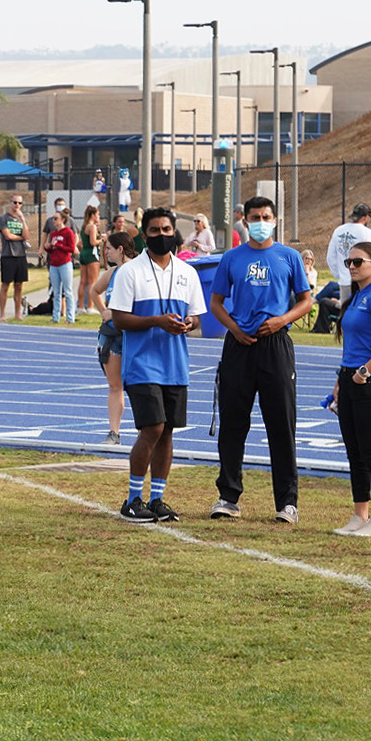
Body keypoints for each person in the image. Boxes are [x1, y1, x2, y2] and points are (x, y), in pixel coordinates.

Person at [208, 195, 312, 524]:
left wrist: (282, 320)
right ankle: (228, 496)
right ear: (245, 220)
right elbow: (216, 303)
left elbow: (306, 301)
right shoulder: (231, 258)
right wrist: (234, 329)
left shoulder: (290, 257)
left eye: (267, 215)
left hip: (276, 345)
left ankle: (287, 503)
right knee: (233, 423)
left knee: (281, 424)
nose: (261, 220)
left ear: (275, 220)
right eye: (255, 216)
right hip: (239, 345)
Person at [108, 206, 206, 523]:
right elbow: (119, 319)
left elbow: (197, 317)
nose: (161, 235)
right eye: (154, 230)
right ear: (144, 234)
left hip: (175, 364)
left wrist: (188, 323)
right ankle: (133, 499)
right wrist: (156, 321)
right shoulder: (130, 272)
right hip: (142, 364)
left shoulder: (187, 273)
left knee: (168, 433)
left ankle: (157, 499)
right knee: (152, 427)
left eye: (166, 230)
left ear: (174, 232)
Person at [330, 242, 371, 537]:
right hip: (349, 380)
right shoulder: (357, 297)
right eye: (349, 262)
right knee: (354, 454)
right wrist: (340, 381)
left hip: (368, 383)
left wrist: (363, 372)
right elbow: (351, 346)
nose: (353, 266)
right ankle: (360, 515)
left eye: (358, 261)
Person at [92, 231, 138, 445]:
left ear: (120, 249)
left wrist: (118, 313)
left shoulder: (138, 271)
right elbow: (94, 291)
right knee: (115, 385)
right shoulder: (112, 273)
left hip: (135, 334)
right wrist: (104, 311)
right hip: (113, 335)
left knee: (140, 385)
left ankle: (146, 430)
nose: (105, 252)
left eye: (108, 248)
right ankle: (114, 432)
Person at [325, 203, 371, 302]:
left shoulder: (339, 230)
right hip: (362, 280)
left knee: (346, 311)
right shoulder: (367, 232)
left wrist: (340, 274)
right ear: (365, 218)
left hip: (344, 281)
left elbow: (331, 257)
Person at [0, 195, 29, 321]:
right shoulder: (3, 218)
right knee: (5, 285)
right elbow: (8, 236)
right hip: (8, 255)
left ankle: (17, 314)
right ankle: (2, 315)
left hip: (20, 255)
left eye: (19, 203)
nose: (17, 205)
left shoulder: (21, 219)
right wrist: (21, 238)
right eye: (15, 202)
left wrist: (23, 220)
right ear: (10, 202)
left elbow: (26, 235)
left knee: (19, 286)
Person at [43, 207, 77, 324]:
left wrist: (59, 245)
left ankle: (70, 317)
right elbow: (52, 250)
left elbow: (71, 248)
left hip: (65, 263)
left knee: (67, 291)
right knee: (56, 292)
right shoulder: (53, 234)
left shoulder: (68, 232)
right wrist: (48, 248)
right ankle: (55, 317)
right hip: (54, 264)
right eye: (53, 218)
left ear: (62, 219)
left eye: (56, 218)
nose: (54, 221)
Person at [77, 205, 101, 313]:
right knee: (93, 282)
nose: (98, 216)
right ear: (92, 215)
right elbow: (93, 242)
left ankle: (81, 306)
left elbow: (80, 243)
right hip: (91, 254)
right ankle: (90, 306)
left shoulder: (84, 226)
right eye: (97, 214)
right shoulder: (92, 227)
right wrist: (102, 239)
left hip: (83, 254)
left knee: (83, 281)